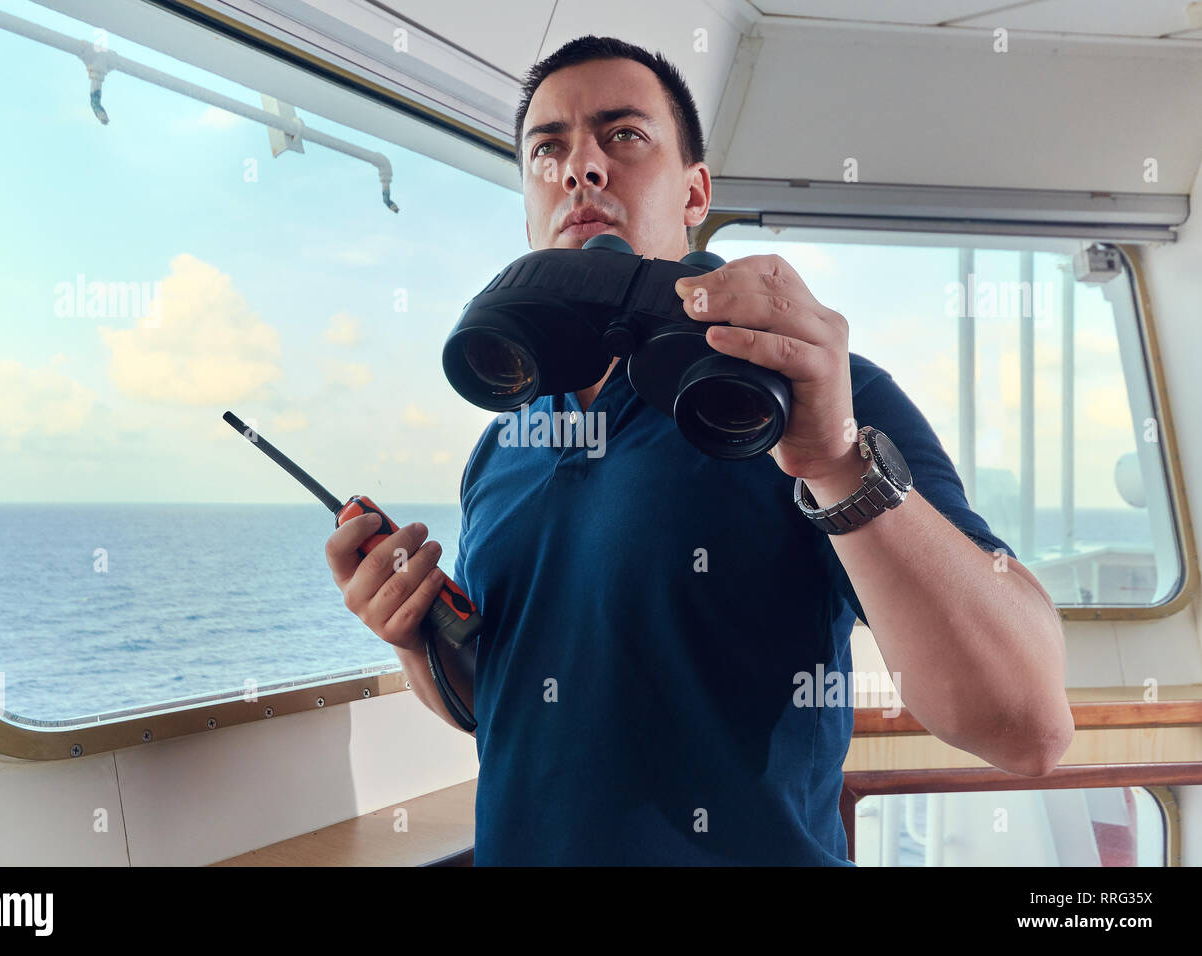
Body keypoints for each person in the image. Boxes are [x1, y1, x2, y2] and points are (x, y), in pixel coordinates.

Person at [325, 35, 1074, 866]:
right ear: (528, 202)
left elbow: (1028, 727)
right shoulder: (504, 442)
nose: (582, 169)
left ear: (696, 191)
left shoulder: (813, 396)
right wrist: (412, 637)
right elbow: (498, 707)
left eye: (624, 135)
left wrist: (833, 461)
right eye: (549, 149)